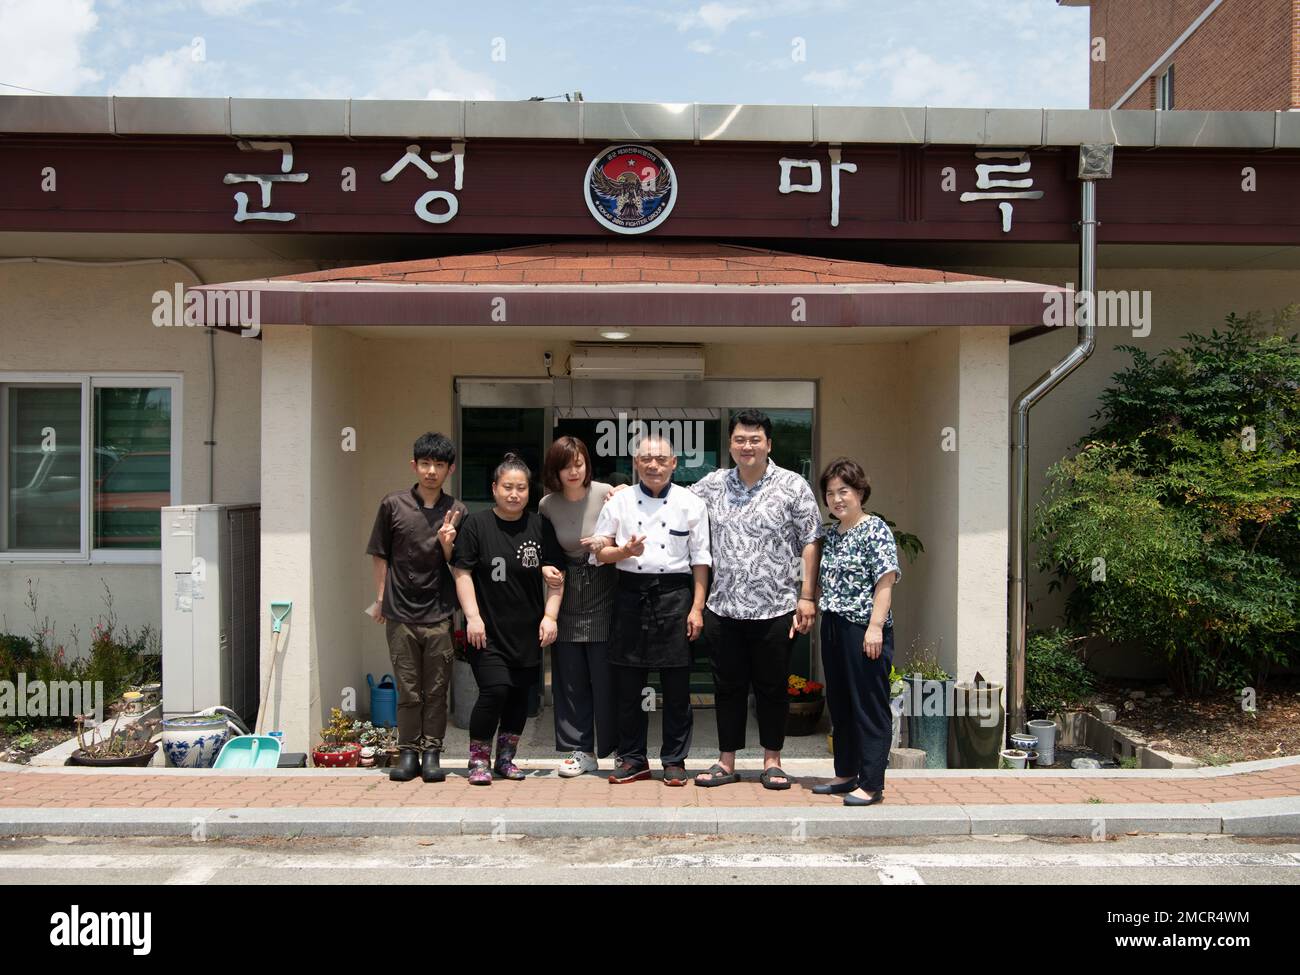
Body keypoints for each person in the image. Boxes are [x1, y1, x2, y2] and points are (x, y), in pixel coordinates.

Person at [690, 409, 821, 791]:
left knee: (772, 687)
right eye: (740, 440)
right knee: (727, 687)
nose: (747, 446)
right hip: (724, 607)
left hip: (776, 608)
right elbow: (671, 503)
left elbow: (810, 539)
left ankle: (772, 761)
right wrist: (622, 493)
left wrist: (807, 596)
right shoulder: (712, 485)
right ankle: (725, 760)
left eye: (755, 439)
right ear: (730, 444)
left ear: (769, 444)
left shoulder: (793, 486)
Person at [589, 434, 710, 785]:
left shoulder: (691, 503)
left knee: (676, 687)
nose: (654, 465)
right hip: (630, 594)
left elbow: (701, 560)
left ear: (674, 464)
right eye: (646, 459)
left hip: (676, 596)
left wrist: (697, 608)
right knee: (628, 685)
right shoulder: (620, 501)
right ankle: (632, 758)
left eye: (661, 459)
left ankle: (674, 759)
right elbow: (599, 553)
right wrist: (624, 552)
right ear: (636, 464)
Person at [451, 453, 564, 785]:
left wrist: (550, 616)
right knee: (495, 690)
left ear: (529, 491)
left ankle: (505, 759)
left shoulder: (540, 526)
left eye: (521, 488)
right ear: (494, 488)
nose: (514, 494)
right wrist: (472, 617)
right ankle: (477, 759)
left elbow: (557, 578)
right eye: (507, 487)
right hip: (486, 632)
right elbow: (462, 572)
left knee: (519, 697)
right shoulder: (476, 524)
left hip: (528, 631)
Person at [365, 432, 469, 784]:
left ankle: (432, 753)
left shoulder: (457, 511)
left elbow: (460, 566)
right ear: (414, 465)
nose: (431, 471)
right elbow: (380, 555)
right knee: (408, 687)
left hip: (439, 613)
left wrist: (447, 544)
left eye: (439, 465)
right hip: (400, 613)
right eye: (425, 464)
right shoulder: (392, 505)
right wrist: (381, 599)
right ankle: (407, 752)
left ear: (449, 469)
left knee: (437, 689)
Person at [814, 457, 901, 807]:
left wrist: (875, 627)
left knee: (869, 705)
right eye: (831, 493)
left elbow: (886, 580)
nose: (837, 499)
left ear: (860, 492)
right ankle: (846, 772)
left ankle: (872, 782)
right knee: (841, 702)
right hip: (833, 626)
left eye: (844, 491)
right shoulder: (830, 534)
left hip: (864, 628)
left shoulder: (875, 528)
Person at [538, 436, 620, 776]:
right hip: (566, 589)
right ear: (554, 471)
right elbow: (547, 551)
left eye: (578, 463)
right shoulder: (547, 505)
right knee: (570, 678)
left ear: (587, 464)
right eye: (565, 465)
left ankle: (618, 749)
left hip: (605, 587)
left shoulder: (608, 494)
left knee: (607, 676)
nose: (573, 471)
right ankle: (581, 750)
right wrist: (545, 566)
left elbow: (627, 531)